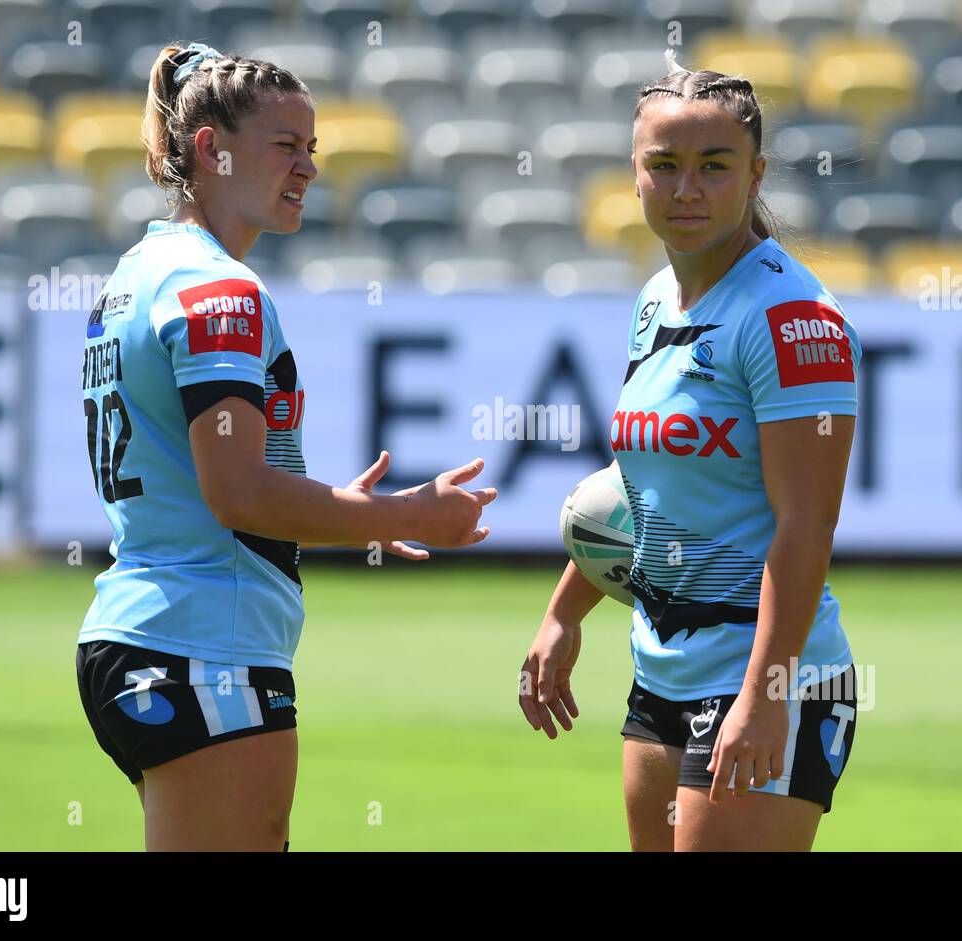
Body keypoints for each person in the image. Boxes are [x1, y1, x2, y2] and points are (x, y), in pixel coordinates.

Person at [76, 41, 495, 851]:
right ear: (211, 148)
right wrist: (401, 513)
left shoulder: (139, 270)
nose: (306, 167)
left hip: (153, 632)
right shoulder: (218, 287)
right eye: (284, 146)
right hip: (203, 645)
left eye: (312, 148)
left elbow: (213, 480)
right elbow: (237, 494)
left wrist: (354, 505)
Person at [519, 51, 860, 852]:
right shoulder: (653, 301)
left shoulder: (792, 317)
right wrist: (564, 613)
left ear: (756, 173)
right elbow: (646, 491)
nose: (687, 189)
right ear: (633, 175)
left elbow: (806, 524)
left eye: (714, 166)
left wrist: (768, 693)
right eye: (664, 166)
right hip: (662, 674)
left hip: (772, 678)